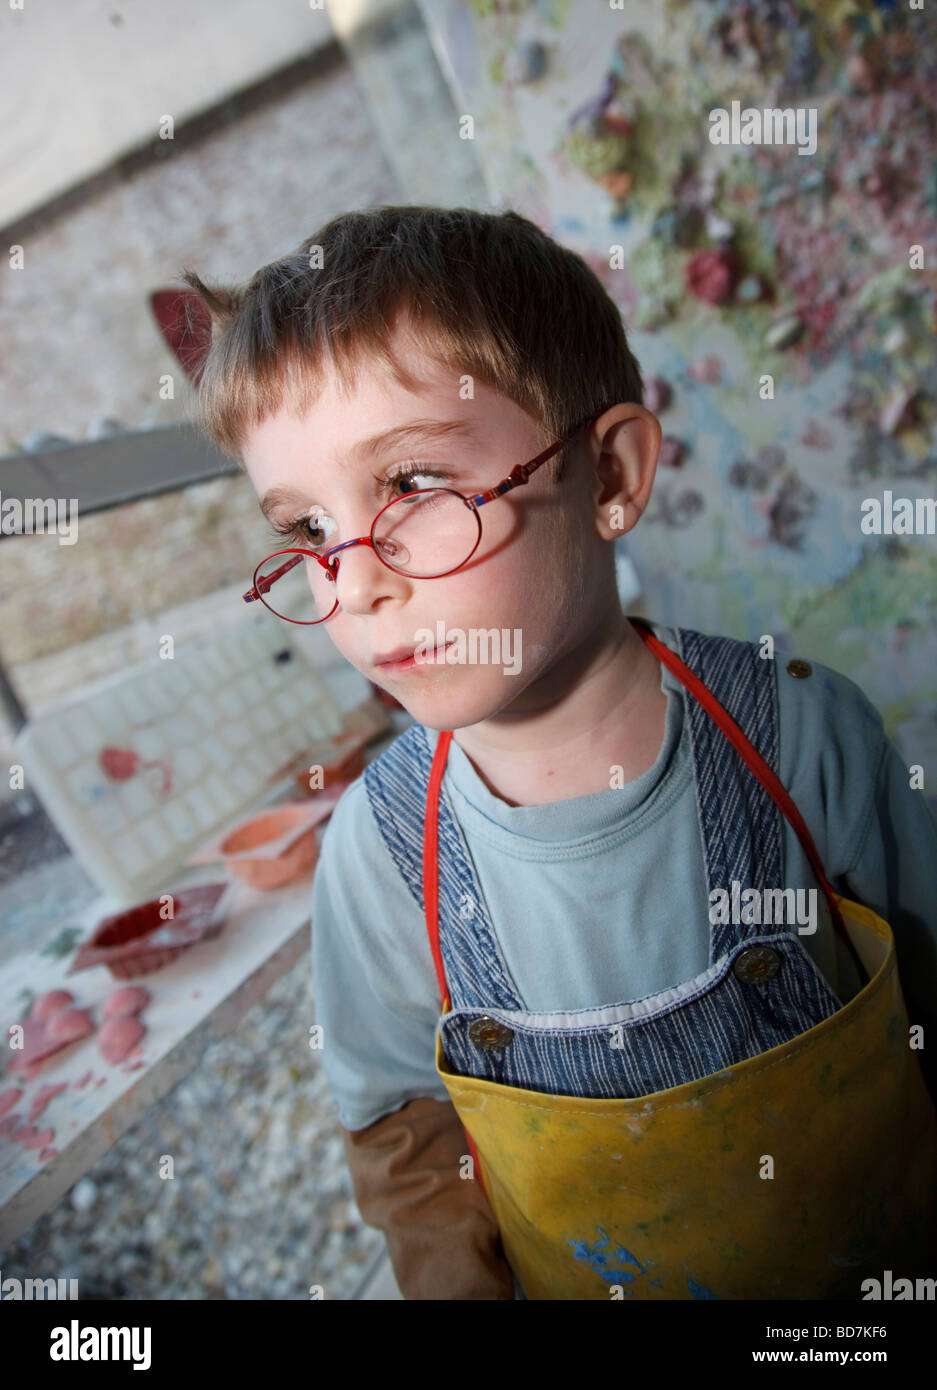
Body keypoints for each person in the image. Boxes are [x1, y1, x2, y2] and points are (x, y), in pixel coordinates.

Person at [182, 205, 937, 1300]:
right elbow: (404, 1137)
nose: (354, 580)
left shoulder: (808, 735)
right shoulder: (382, 857)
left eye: (412, 483)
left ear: (612, 476)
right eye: (305, 528)